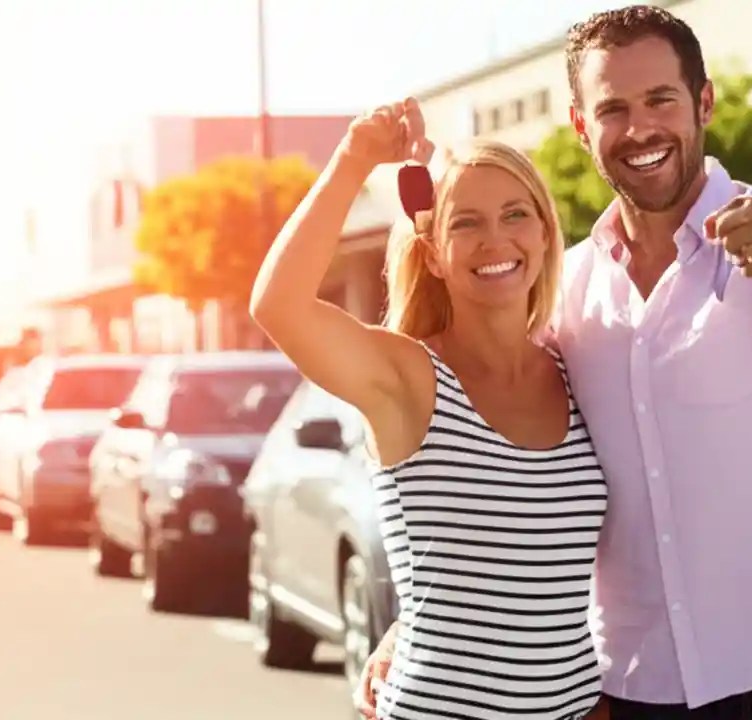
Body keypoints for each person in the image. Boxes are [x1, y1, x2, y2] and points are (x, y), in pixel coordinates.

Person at [356, 6, 752, 720]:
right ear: (581, 127)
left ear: (702, 104)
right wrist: (418, 622)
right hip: (638, 693)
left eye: (660, 100)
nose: (640, 129)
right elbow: (516, 484)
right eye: (613, 109)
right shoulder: (565, 292)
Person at [250, 101, 609, 719]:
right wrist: (353, 160)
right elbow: (279, 305)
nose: (495, 239)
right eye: (466, 223)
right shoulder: (409, 378)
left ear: (545, 234)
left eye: (515, 214)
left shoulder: (578, 370)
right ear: (435, 252)